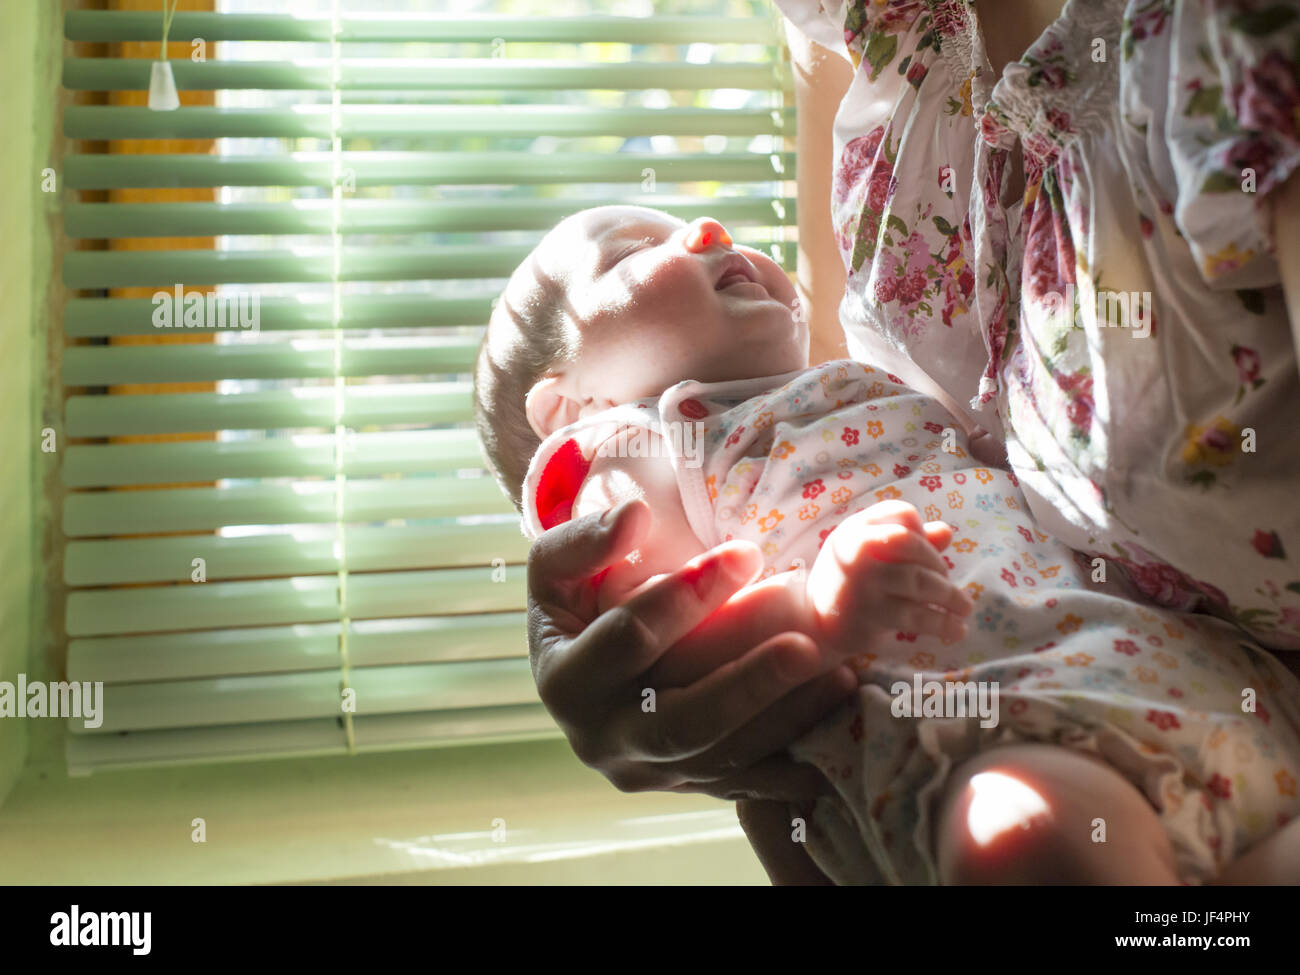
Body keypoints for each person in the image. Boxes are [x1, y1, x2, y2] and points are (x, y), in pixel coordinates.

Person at [514, 0, 1300, 882]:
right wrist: (817, 612)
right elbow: (682, 638)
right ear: (565, 406)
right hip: (993, 730)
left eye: (717, 232)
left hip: (1196, 688)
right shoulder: (633, 447)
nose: (707, 230)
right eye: (630, 255)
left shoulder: (849, 395)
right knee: (1023, 836)